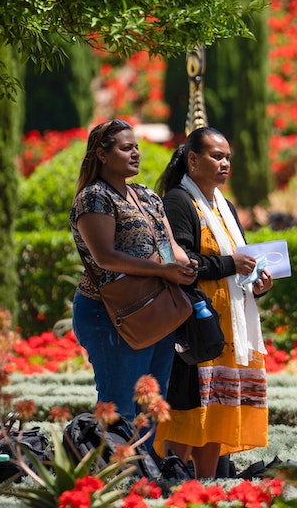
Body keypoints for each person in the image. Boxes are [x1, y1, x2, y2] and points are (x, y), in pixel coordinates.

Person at [152, 126, 272, 478]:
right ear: (192, 160)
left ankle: (207, 487)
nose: (224, 163)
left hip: (227, 330)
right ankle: (176, 484)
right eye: (216, 156)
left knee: (217, 411)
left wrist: (258, 281)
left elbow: (240, 260)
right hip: (195, 327)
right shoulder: (177, 201)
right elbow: (179, 262)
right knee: (190, 412)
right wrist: (231, 265)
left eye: (227, 158)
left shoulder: (225, 206)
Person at [70, 118, 198, 429]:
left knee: (152, 405)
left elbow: (169, 248)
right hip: (111, 312)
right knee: (120, 408)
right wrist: (162, 269)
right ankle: (114, 476)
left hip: (157, 310)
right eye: (126, 148)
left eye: (136, 147)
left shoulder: (147, 195)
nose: (136, 153)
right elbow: (106, 257)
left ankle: (145, 475)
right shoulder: (95, 197)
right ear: (102, 154)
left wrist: (184, 264)